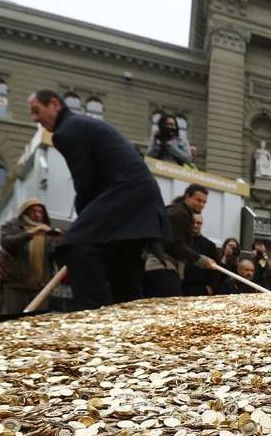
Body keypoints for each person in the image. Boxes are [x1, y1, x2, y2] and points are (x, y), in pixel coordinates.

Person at [27, 90, 167, 310]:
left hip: (127, 194)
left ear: (54, 104)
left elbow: (86, 184)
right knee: (120, 264)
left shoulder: (65, 132)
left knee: (74, 246)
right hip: (142, 199)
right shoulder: (81, 125)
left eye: (37, 111)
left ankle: (96, 318)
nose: (34, 119)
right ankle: (129, 321)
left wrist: (82, 225)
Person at [143, 183, 216, 298]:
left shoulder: (176, 210)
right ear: (187, 196)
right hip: (163, 265)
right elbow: (175, 245)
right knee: (173, 306)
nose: (202, 205)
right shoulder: (180, 214)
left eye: (204, 202)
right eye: (198, 200)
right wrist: (200, 259)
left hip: (159, 265)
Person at [0, 198, 63, 314]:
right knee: (13, 320)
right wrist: (31, 233)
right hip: (16, 285)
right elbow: (7, 243)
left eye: (40, 212)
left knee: (37, 323)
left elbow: (56, 257)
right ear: (25, 212)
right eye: (34, 211)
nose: (38, 215)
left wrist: (61, 241)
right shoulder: (12, 227)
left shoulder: (48, 233)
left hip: (40, 287)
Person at [181, 212, 220, 296]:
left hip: (200, 289)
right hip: (180, 286)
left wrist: (211, 287)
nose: (195, 225)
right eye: (193, 222)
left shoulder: (209, 245)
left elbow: (215, 269)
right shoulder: (180, 242)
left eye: (199, 223)